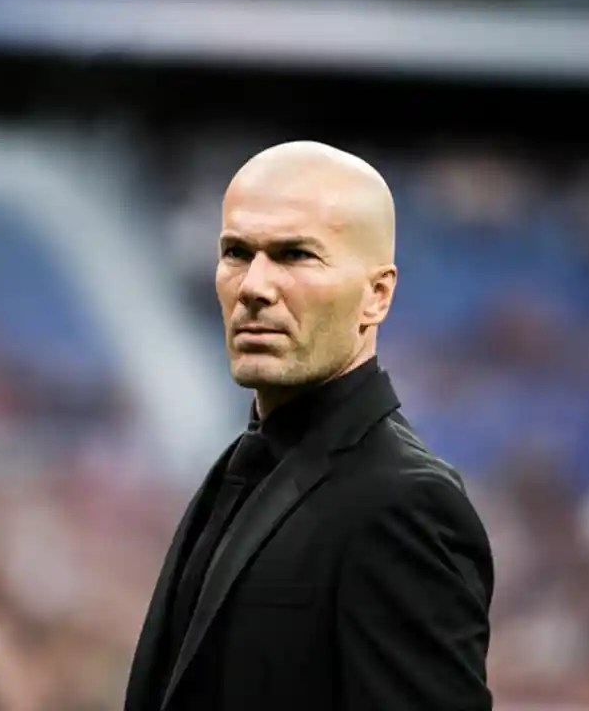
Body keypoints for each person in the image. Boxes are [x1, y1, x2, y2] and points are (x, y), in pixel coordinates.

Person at [125, 141, 493, 710]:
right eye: (236, 252)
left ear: (377, 295)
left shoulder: (404, 503)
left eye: (295, 255)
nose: (254, 286)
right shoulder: (242, 468)